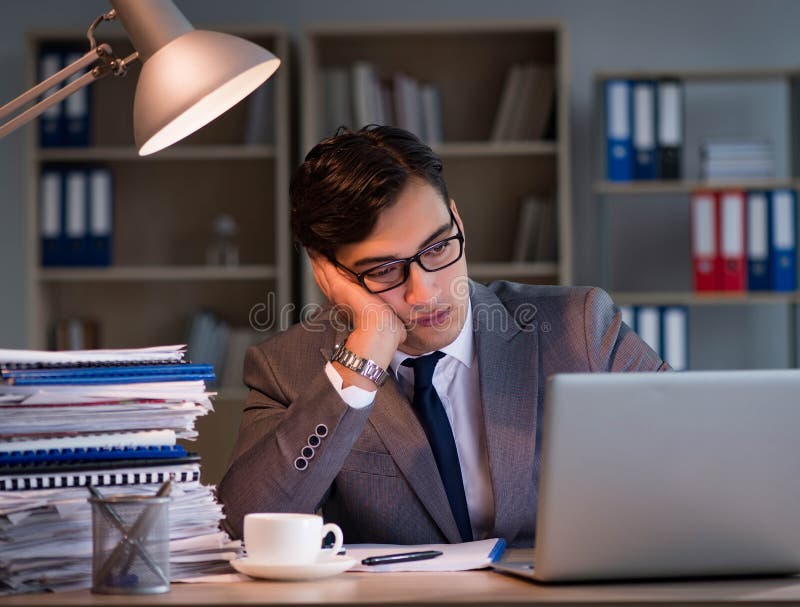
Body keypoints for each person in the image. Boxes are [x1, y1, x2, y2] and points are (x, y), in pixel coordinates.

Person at [218, 125, 668, 548]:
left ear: (458, 220)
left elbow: (697, 463)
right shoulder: (286, 370)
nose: (425, 291)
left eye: (437, 248)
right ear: (332, 274)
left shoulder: (579, 327)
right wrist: (365, 355)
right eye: (383, 270)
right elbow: (242, 527)